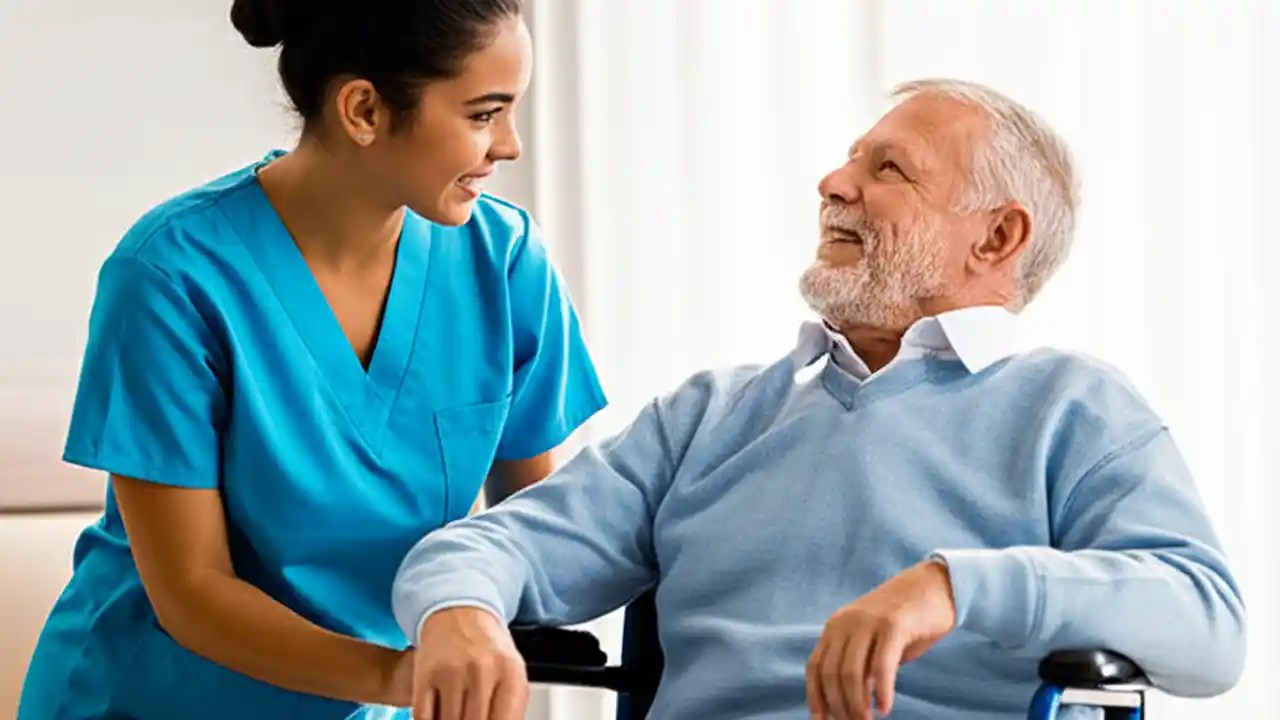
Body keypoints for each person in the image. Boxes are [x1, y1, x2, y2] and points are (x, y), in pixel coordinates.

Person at [391, 79, 1246, 720]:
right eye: (849, 159)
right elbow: (484, 549)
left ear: (997, 236)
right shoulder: (708, 416)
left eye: (888, 170)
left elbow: (1207, 626)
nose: (833, 183)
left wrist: (954, 587)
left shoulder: (1073, 406)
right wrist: (459, 610)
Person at [17, 1, 606, 718]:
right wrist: (405, 676)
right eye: (483, 115)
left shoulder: (505, 262)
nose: (509, 144)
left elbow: (531, 527)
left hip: (368, 698)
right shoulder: (171, 278)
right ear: (363, 110)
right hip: (149, 700)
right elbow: (192, 592)